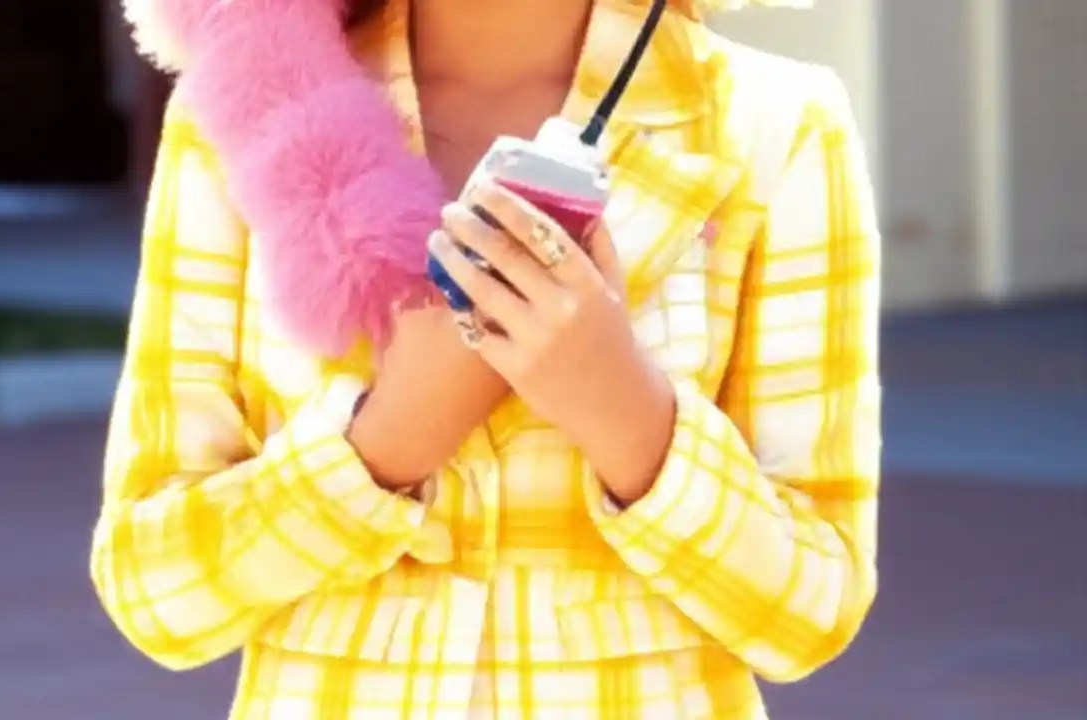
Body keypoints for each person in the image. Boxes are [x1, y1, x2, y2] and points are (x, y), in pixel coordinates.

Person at [91, 0, 881, 717]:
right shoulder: (243, 114)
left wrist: (626, 414)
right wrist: (384, 445)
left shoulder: (775, 126)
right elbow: (154, 595)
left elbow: (814, 613)